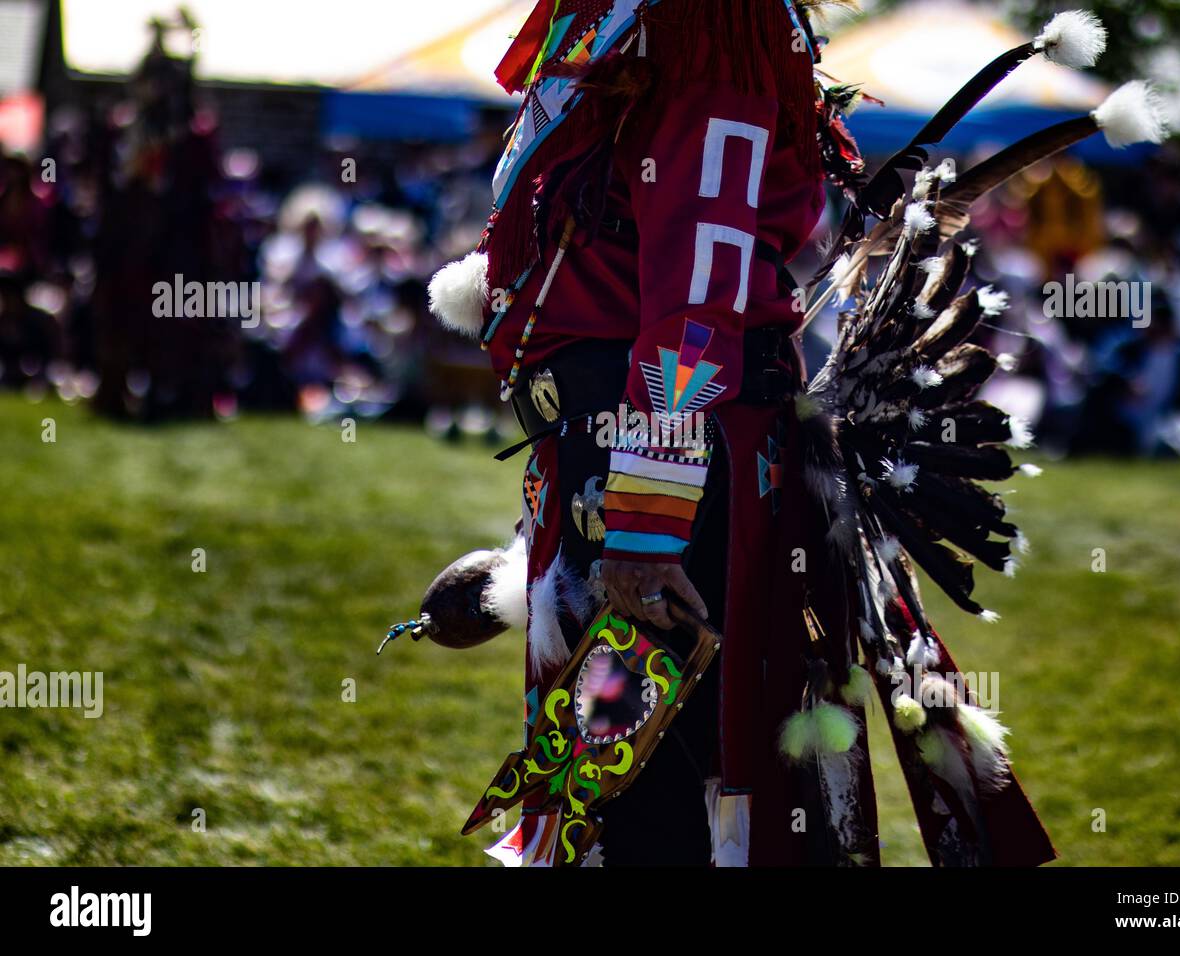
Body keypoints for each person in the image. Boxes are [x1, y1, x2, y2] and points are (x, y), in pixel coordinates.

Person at [425, 0, 1062, 867]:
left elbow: (700, 288)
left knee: (659, 805)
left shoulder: (709, 17)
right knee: (611, 786)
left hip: (673, 468)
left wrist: (649, 522)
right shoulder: (631, 17)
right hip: (613, 449)